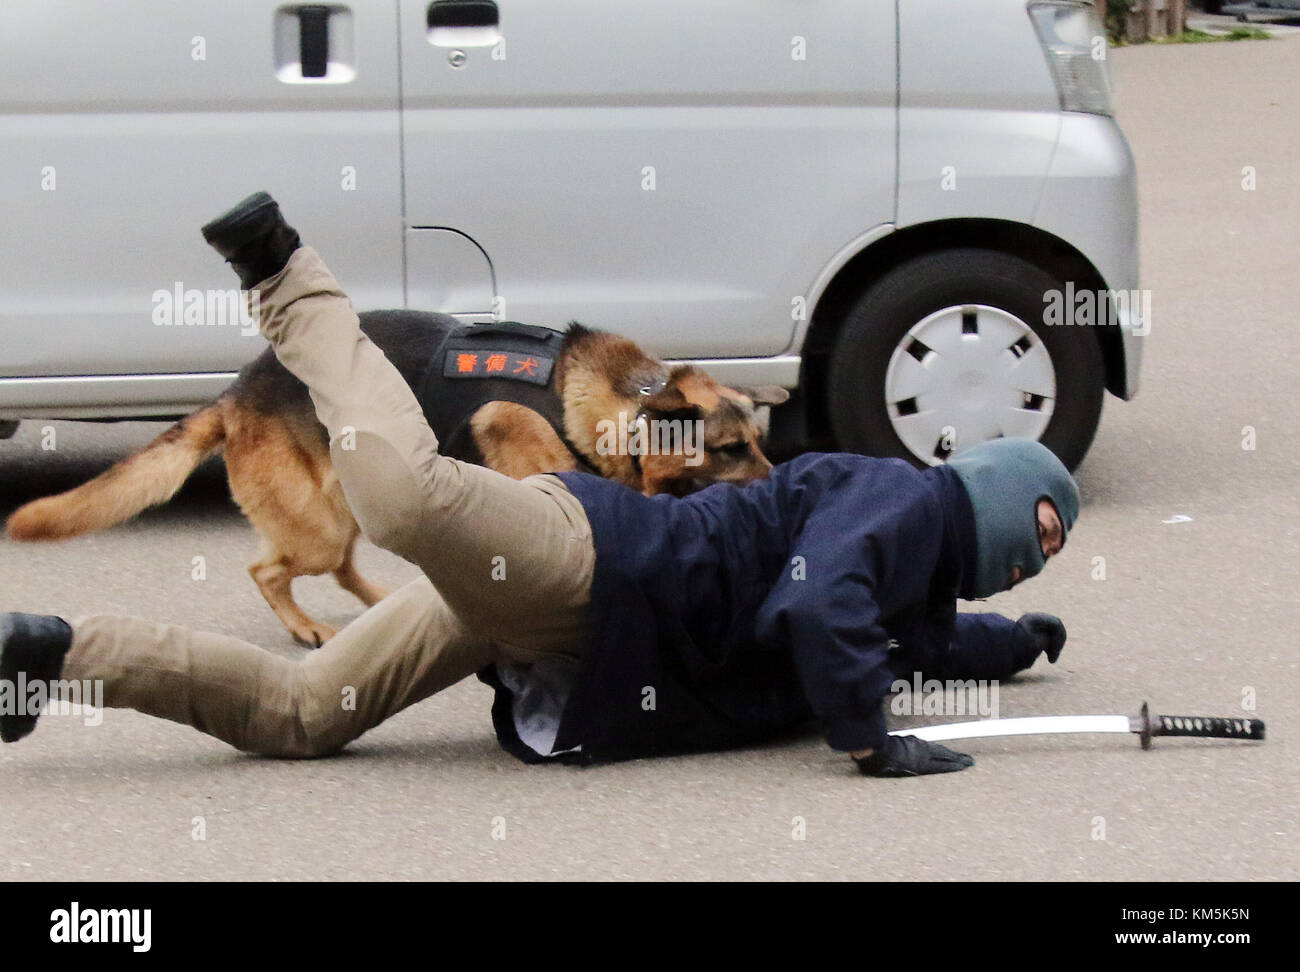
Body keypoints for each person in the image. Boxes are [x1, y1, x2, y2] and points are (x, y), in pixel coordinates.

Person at [0, 193, 1079, 778]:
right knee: (404, 500)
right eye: (1036, 531)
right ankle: (293, 284)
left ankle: (53, 652)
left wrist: (1021, 640)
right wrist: (866, 736)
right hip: (584, 559)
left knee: (300, 714)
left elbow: (928, 641)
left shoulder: (918, 586)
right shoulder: (896, 502)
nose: (1030, 553)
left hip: (561, 626)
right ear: (982, 493)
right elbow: (818, 599)